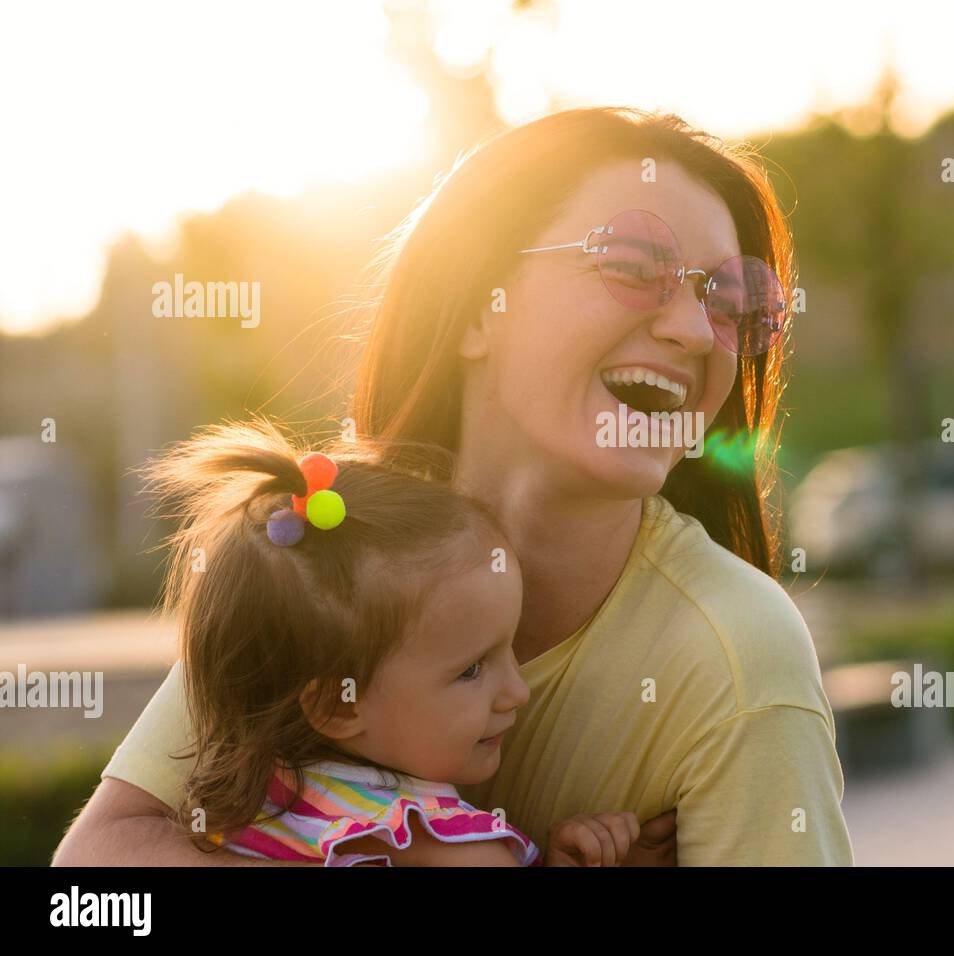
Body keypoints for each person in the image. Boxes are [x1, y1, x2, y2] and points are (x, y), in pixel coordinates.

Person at [54, 106, 854, 866]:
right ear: (476, 306)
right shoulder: (328, 547)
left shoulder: (740, 662)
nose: (689, 327)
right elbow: (98, 867)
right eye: (632, 265)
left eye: (728, 299)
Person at [127, 418, 640, 866]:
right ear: (337, 704)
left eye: (509, 648)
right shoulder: (460, 849)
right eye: (471, 670)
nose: (517, 691)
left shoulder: (250, 803)